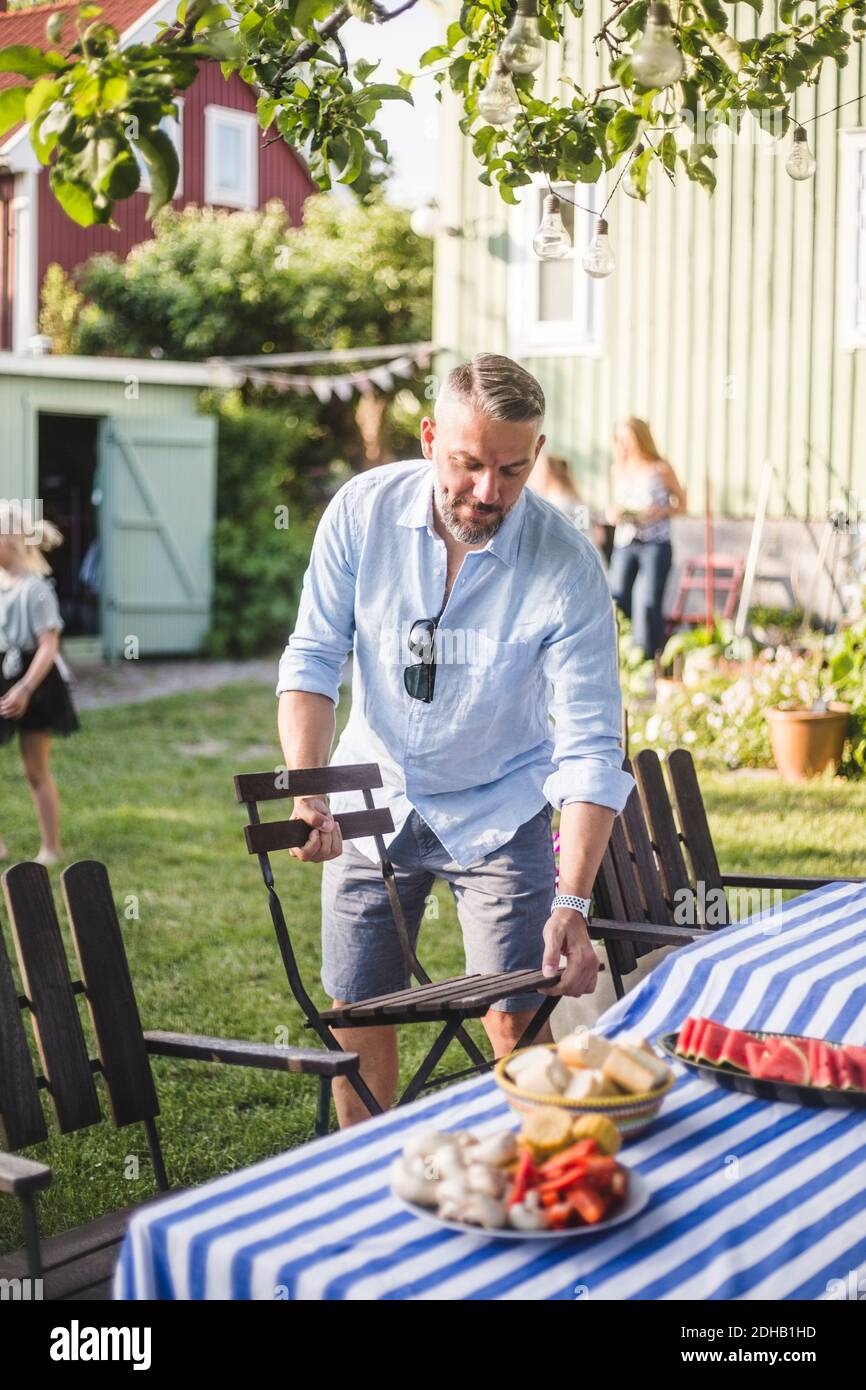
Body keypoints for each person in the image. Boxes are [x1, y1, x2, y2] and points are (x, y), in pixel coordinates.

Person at [277, 353, 634, 1127]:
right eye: (468, 464)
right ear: (430, 437)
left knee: (517, 1011)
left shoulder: (567, 565)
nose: (487, 492)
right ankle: (365, 1193)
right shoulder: (361, 512)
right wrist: (311, 793)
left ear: (536, 454)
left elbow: (590, 750)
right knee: (359, 1011)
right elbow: (312, 658)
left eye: (510, 470)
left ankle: (536, 1169)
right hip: (373, 796)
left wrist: (573, 899)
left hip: (501, 807)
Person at [0, 504, 79, 866]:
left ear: (10, 539)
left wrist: (25, 689)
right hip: (4, 673)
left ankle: (50, 847)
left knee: (35, 769)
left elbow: (49, 645)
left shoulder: (37, 590)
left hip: (35, 682)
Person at [606, 418, 686, 660]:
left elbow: (682, 505)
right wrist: (614, 513)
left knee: (648, 601)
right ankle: (623, 653)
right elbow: (613, 505)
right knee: (617, 596)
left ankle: (652, 659)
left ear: (641, 437)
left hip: (655, 543)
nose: (625, 445)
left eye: (629, 438)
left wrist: (658, 512)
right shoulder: (618, 469)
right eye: (621, 440)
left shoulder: (660, 468)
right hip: (625, 541)